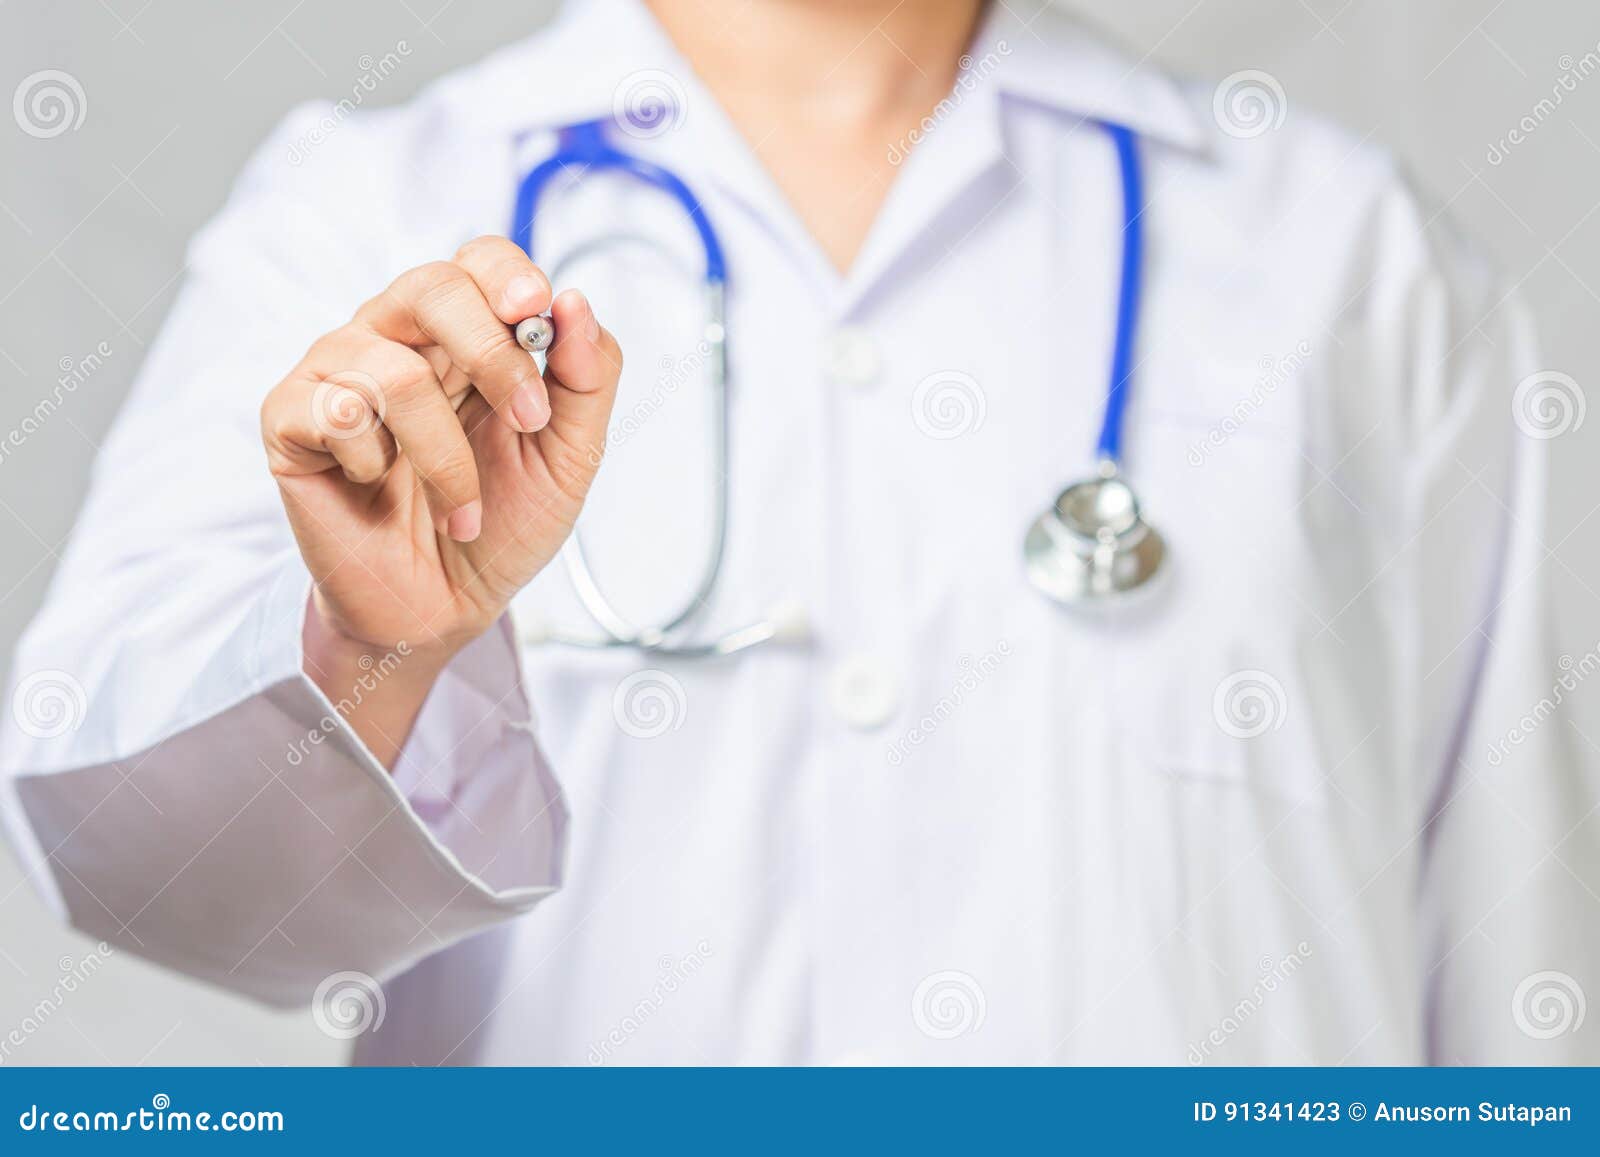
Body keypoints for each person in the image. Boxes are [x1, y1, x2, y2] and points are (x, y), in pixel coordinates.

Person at [2, 0, 1594, 1065]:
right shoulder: (357, 206)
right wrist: (367, 655)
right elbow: (134, 865)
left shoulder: (1351, 258)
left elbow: (1520, 963)